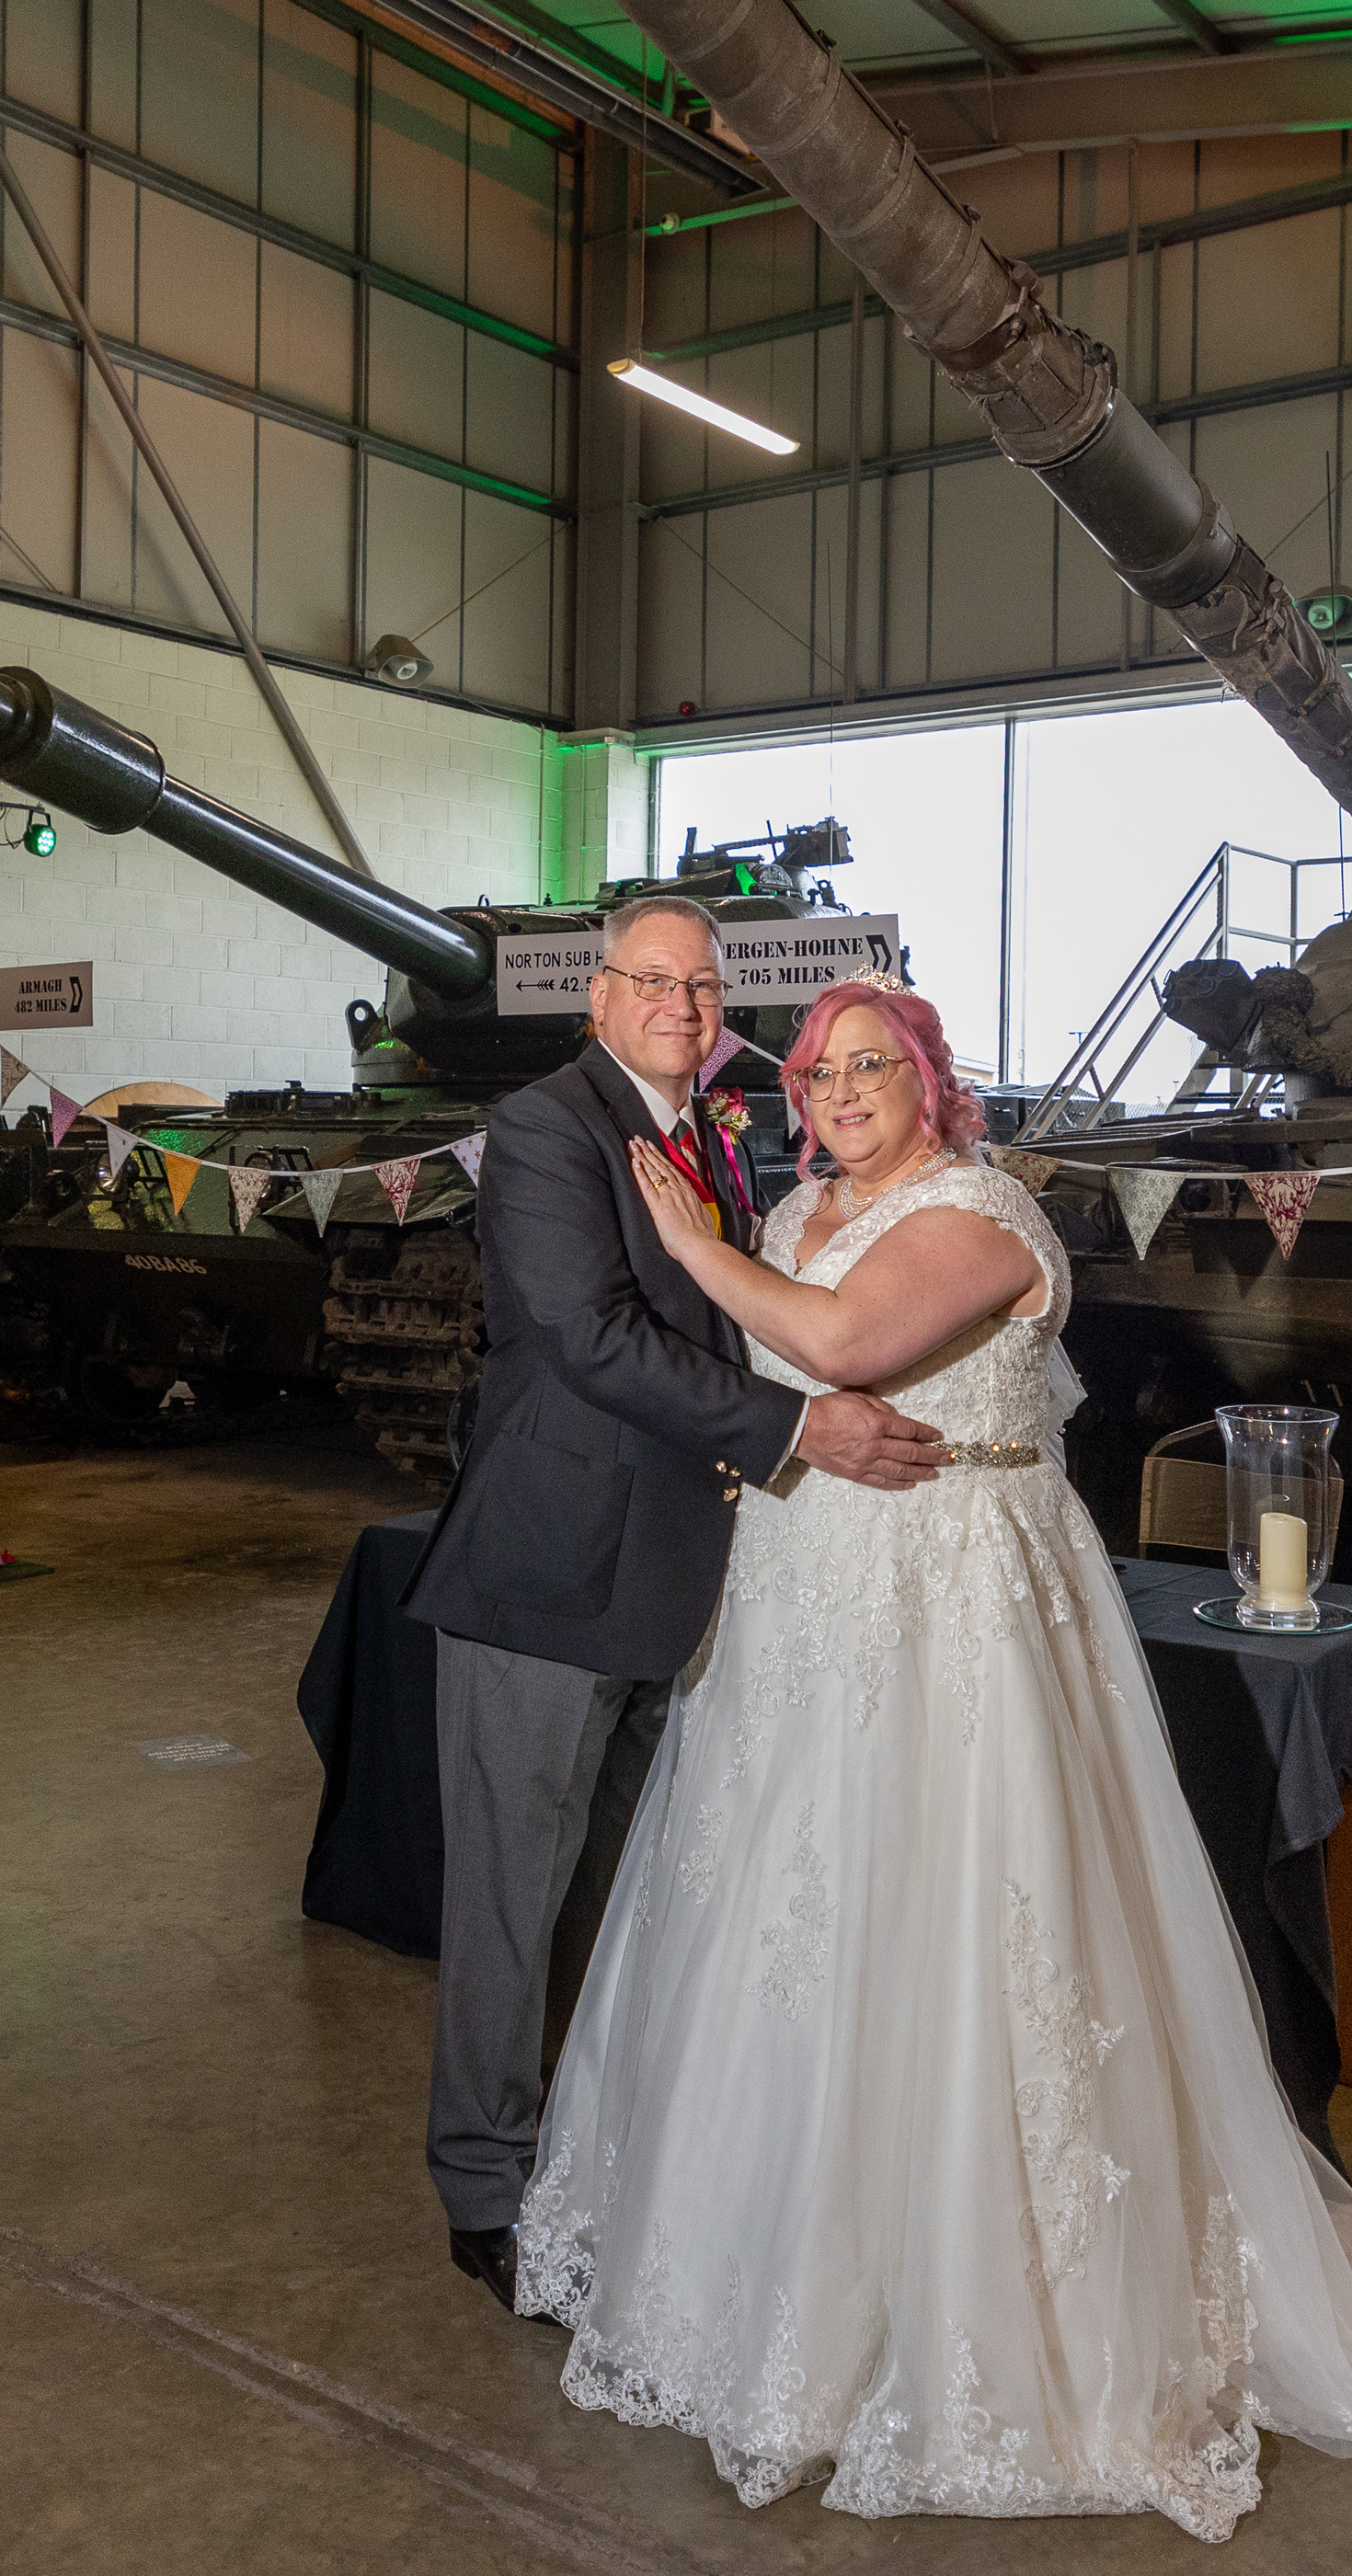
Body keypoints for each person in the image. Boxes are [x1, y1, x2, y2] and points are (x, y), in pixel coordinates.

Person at [518, 978, 1352, 2536]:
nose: (846, 1089)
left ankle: (987, 2300)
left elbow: (845, 1338)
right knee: (789, 1912)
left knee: (964, 1909)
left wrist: (678, 1242)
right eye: (821, 1070)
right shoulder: (796, 1207)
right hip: (807, 1597)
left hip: (955, 1596)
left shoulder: (985, 1211)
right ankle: (778, 2277)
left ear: (932, 1084)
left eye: (876, 1065)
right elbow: (770, 1377)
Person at [406, 897, 946, 2314]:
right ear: (598, 993)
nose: (684, 1006)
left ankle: (589, 2157)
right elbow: (590, 1338)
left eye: (703, 988)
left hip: (670, 1577)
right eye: (654, 981)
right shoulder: (547, 1128)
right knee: (512, 1907)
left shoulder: (715, 1132)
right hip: (542, 1572)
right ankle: (486, 2192)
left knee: (618, 1898)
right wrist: (792, 1430)